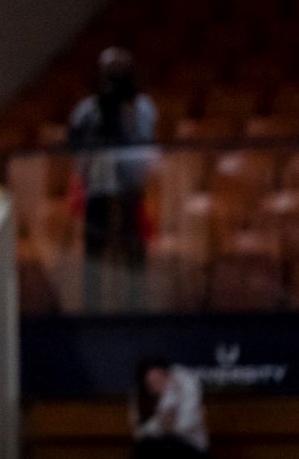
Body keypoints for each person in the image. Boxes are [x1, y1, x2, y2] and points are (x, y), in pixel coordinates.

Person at [67, 47, 157, 312]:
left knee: (132, 243)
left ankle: (136, 303)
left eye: (118, 72)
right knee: (94, 246)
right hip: (98, 184)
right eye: (108, 73)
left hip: (130, 186)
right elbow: (74, 140)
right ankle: (92, 305)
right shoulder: (88, 108)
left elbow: (143, 141)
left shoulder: (142, 107)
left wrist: (125, 116)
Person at [131, 357, 208, 457]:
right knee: (145, 448)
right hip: (155, 448)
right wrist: (160, 422)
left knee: (170, 446)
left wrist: (164, 422)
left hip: (190, 447)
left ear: (167, 376)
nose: (156, 385)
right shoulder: (140, 395)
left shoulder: (186, 384)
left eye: (159, 379)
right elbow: (139, 433)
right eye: (151, 382)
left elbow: (186, 425)